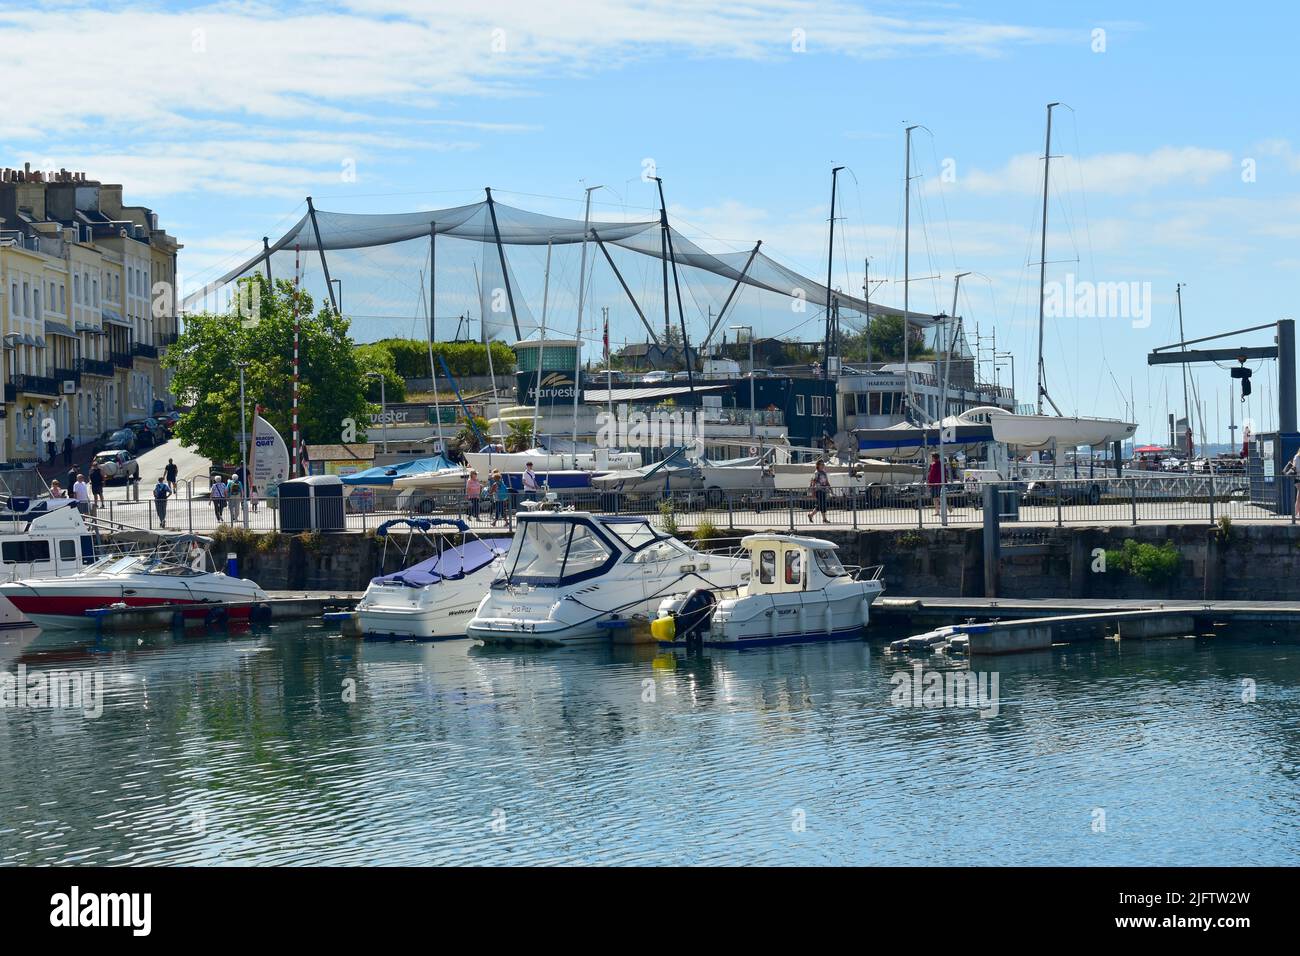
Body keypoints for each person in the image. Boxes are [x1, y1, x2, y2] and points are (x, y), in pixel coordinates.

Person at [1283, 447, 1300, 517]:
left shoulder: (1296, 457)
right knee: (1299, 497)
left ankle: (1297, 513)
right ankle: (1295, 513)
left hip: (1298, 478)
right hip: (1298, 478)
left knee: (1299, 497)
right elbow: (1296, 468)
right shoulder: (1297, 457)